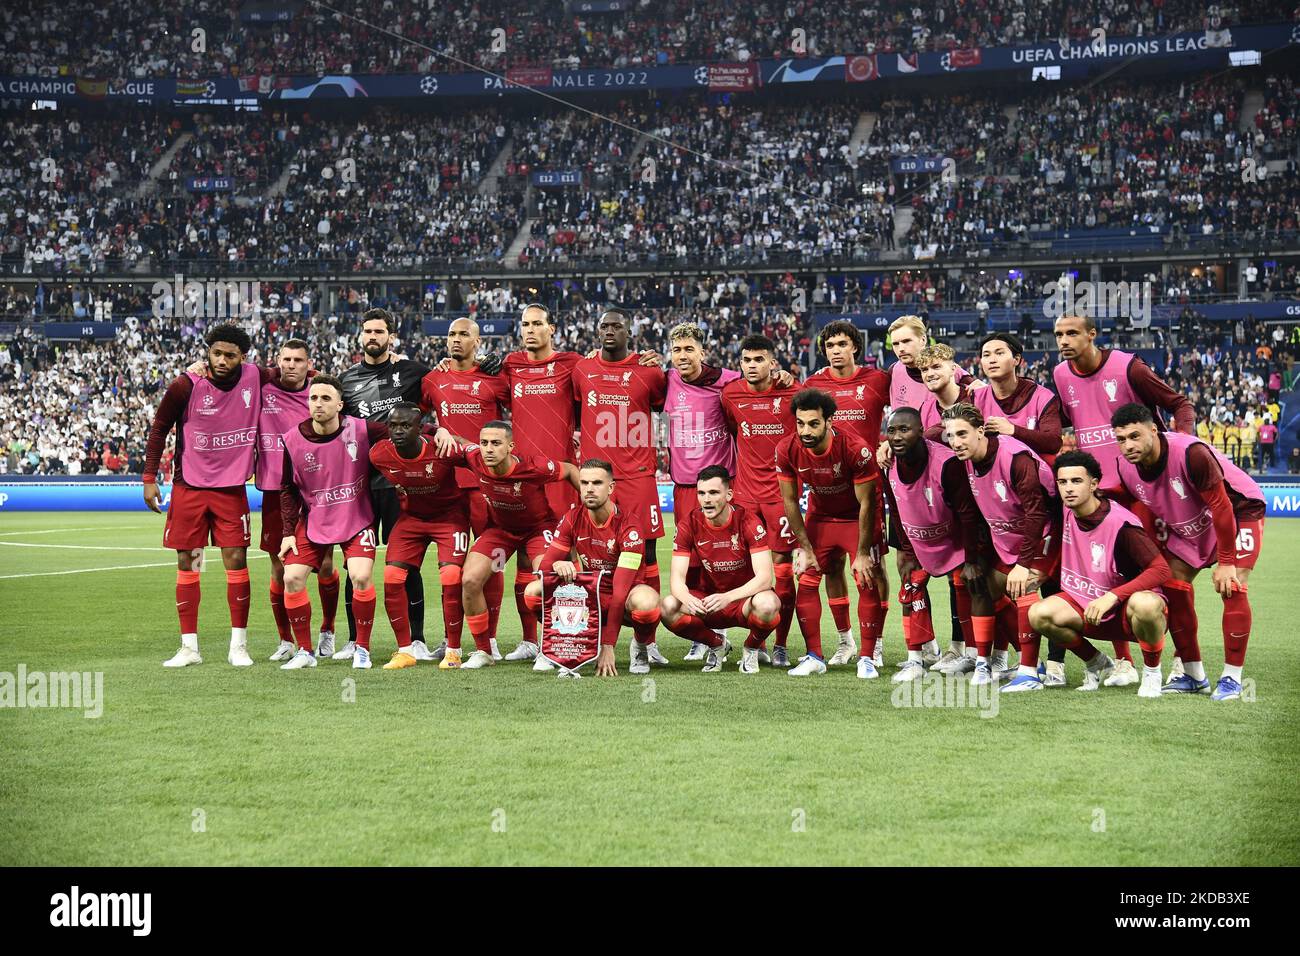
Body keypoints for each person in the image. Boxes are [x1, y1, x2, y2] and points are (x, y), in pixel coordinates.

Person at [1053, 312, 1194, 682]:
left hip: (1146, 491)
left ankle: (1183, 657)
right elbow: (1059, 425)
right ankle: (1123, 663)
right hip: (1101, 495)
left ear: (1092, 335)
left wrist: (1185, 443)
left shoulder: (1128, 368)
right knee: (1105, 576)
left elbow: (1179, 404)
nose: (1064, 340)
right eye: (1058, 334)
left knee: (1168, 576)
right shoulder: (1060, 375)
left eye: (1072, 333)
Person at [277, 376, 453, 670]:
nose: (318, 404)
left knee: (360, 577)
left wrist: (440, 430)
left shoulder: (360, 429)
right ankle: (305, 652)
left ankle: (362, 648)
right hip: (313, 519)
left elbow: (403, 430)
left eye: (325, 398)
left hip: (356, 518)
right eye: (313, 398)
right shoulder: (292, 439)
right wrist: (286, 532)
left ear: (340, 404)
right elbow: (287, 487)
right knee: (291, 578)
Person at [1109, 403, 1266, 701]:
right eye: (1121, 439)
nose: (1128, 445)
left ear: (1154, 431)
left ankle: (1232, 679)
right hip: (1190, 522)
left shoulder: (1191, 453)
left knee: (1232, 586)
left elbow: (1222, 506)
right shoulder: (1123, 466)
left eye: (1134, 436)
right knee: (1173, 585)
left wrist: (1227, 562)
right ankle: (1194, 675)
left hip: (1240, 510)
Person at [143, 323, 277, 669]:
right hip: (189, 486)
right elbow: (159, 428)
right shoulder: (185, 384)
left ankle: (239, 646)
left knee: (236, 561)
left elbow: (296, 374)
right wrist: (148, 477)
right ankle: (189, 647)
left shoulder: (256, 377)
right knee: (189, 562)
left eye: (229, 355)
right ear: (208, 351)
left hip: (231, 489)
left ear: (242, 357)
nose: (221, 360)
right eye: (216, 353)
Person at [1029, 451, 1173, 696]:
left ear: (1094, 484)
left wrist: (1113, 596)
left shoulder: (1121, 524)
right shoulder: (1065, 511)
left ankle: (1152, 672)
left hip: (1127, 613)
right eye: (1063, 482)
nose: (1068, 489)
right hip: (1088, 608)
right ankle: (1097, 662)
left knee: (1147, 604)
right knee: (1039, 614)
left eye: (1077, 481)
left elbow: (1161, 570)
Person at [338, 308, 436, 662]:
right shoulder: (346, 380)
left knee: (406, 563)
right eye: (367, 331)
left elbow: (446, 383)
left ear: (391, 336)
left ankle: (418, 639)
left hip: (401, 483)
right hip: (360, 483)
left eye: (379, 331)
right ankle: (352, 639)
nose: (372, 337)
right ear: (361, 335)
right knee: (354, 565)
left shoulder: (411, 372)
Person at [942, 403, 1061, 691]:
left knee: (1024, 587)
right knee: (981, 586)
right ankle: (984, 663)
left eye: (962, 434)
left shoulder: (1015, 458)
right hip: (1007, 540)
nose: (955, 442)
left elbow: (1036, 513)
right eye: (950, 436)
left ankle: (1030, 673)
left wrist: (1023, 564)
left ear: (981, 431)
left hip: (1044, 536)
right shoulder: (965, 460)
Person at [446, 420, 581, 669]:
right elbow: (461, 443)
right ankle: (484, 651)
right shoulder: (475, 458)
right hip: (501, 532)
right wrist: (441, 431)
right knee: (469, 580)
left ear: (510, 447)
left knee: (547, 578)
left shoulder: (533, 467)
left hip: (538, 529)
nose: (488, 449)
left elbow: (571, 470)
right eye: (484, 443)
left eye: (496, 443)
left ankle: (551, 649)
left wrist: (585, 508)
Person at [801, 320, 897, 667]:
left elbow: (910, 393)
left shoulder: (877, 380)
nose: (836, 350)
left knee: (874, 568)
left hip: (865, 492)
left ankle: (879, 640)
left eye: (842, 344)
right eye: (830, 345)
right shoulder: (813, 384)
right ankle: (845, 641)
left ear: (856, 346)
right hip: (825, 493)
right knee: (831, 570)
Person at [418, 317, 509, 660]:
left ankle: (492, 639)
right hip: (445, 486)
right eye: (451, 334)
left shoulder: (494, 380)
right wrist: (431, 429)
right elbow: (414, 417)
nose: (456, 340)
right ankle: (450, 638)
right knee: (451, 567)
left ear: (478, 341)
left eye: (464, 334)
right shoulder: (433, 379)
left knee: (492, 562)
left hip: (485, 485)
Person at [776, 389, 884, 677]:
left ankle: (867, 657)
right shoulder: (786, 449)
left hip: (855, 518)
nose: (805, 430)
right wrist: (805, 548)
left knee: (866, 578)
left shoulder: (854, 449)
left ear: (829, 421)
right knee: (807, 578)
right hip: (821, 517)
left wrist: (862, 553)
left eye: (813, 423)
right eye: (800, 423)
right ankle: (815, 656)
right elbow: (789, 501)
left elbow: (867, 502)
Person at [524, 459, 663, 676]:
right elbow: (544, 569)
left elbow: (619, 591)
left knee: (647, 603)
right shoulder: (572, 518)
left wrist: (608, 646)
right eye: (584, 483)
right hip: (591, 595)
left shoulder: (630, 526)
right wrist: (560, 564)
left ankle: (640, 646)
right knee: (533, 591)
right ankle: (556, 644)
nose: (589, 489)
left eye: (597, 483)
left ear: (611, 488)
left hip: (624, 599)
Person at [879, 408, 981, 681]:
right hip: (919, 542)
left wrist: (971, 558)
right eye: (892, 431)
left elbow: (967, 513)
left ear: (922, 432)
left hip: (954, 541)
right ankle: (916, 659)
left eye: (905, 430)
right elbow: (897, 511)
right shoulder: (887, 465)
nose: (897, 436)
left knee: (965, 588)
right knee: (911, 587)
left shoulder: (948, 463)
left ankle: (972, 655)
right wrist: (907, 551)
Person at [369, 403, 470, 670]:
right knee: (391, 577)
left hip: (449, 517)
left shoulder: (442, 449)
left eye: (405, 426)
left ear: (420, 427)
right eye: (393, 426)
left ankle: (454, 650)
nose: (398, 431)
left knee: (450, 577)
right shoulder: (380, 454)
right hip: (412, 519)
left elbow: (478, 458)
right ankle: (405, 650)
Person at [257, 339, 339, 663]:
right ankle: (286, 641)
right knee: (279, 568)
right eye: (286, 359)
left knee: (326, 565)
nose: (291, 365)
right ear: (278, 361)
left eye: (298, 360)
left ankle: (328, 631)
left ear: (309, 363)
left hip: (317, 490)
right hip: (275, 490)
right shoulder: (262, 385)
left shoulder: (319, 391)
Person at [720, 335, 801, 666]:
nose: (752, 365)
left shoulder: (792, 393)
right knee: (750, 573)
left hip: (781, 497)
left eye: (758, 359)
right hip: (745, 496)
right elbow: (732, 429)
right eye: (746, 359)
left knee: (783, 572)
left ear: (773, 363)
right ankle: (759, 640)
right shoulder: (731, 395)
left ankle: (780, 643)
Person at [572, 308, 667, 586]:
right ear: (598, 331)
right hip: (596, 478)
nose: (610, 331)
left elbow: (664, 404)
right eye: (605, 327)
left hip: (637, 476)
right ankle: (597, 619)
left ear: (629, 332)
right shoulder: (583, 368)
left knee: (647, 552)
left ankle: (645, 626)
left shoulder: (649, 371)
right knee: (593, 550)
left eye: (617, 326)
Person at [660, 465, 781, 674]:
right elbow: (677, 579)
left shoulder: (748, 521)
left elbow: (765, 578)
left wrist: (727, 597)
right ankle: (716, 644)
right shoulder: (689, 523)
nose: (706, 499)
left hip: (743, 601)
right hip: (709, 601)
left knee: (768, 604)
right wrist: (689, 600)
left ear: (729, 494)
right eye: (701, 493)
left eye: (714, 493)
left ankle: (751, 647)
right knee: (668, 606)